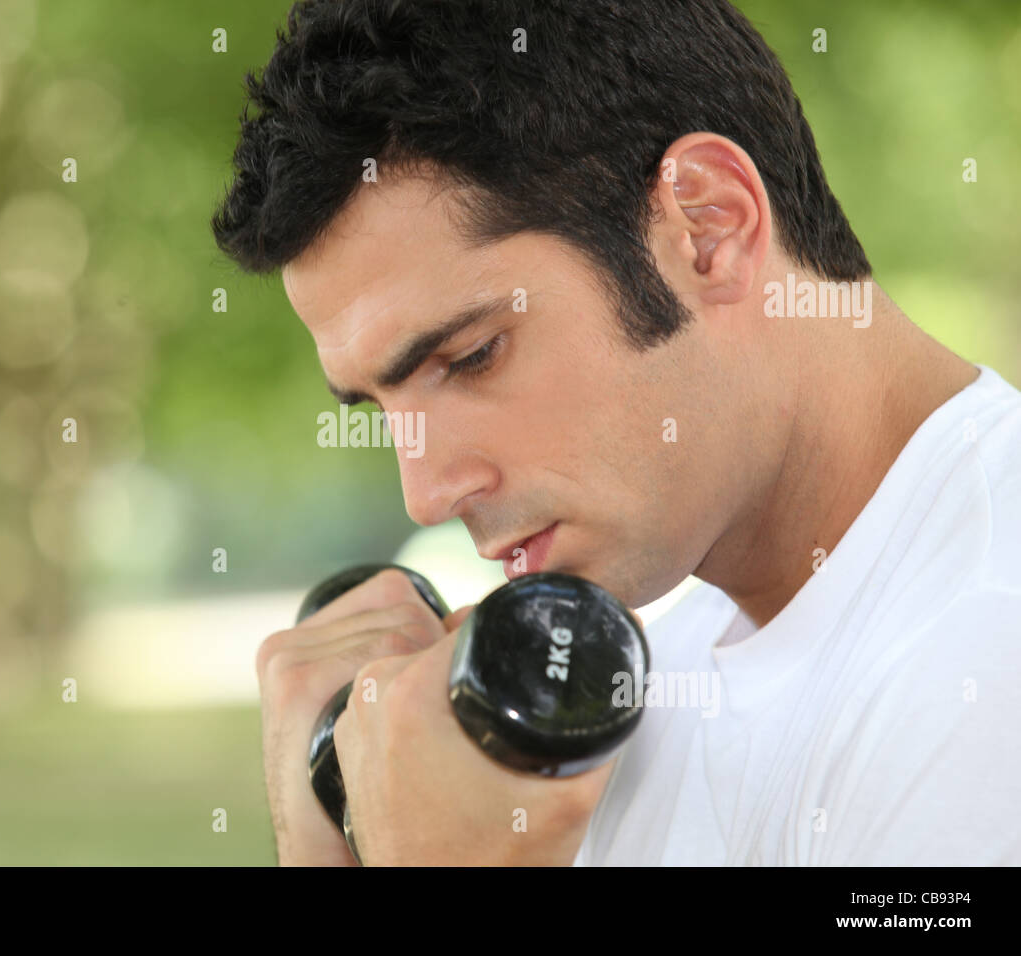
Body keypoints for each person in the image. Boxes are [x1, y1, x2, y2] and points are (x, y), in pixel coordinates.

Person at [210, 0, 1021, 865]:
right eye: (383, 409)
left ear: (708, 228)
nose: (429, 491)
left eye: (474, 355)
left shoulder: (985, 661)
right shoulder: (625, 700)